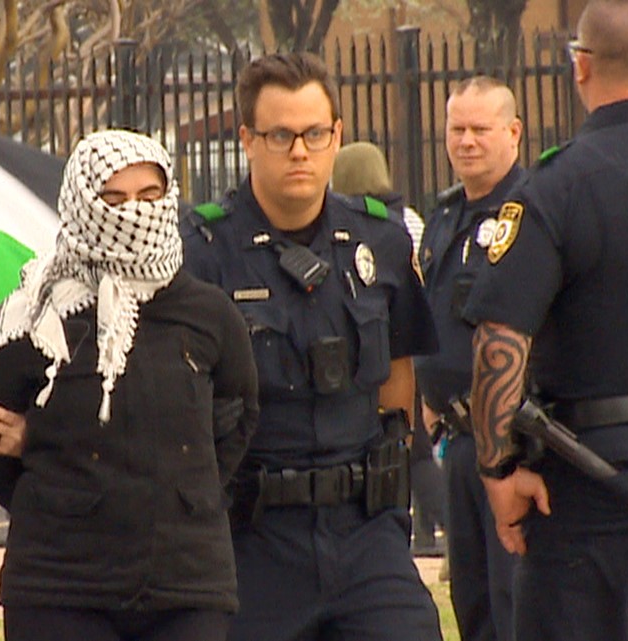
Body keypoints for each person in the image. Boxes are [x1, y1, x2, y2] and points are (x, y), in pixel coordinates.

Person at [183, 52, 442, 641]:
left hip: (364, 532)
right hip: (251, 538)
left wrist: (391, 495)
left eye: (314, 133)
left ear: (337, 136)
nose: (300, 151)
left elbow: (398, 379)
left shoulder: (380, 236)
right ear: (247, 139)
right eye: (281, 135)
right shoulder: (203, 251)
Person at [0, 129, 260, 641]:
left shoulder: (210, 314)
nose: (134, 213)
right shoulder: (37, 314)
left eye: (149, 196)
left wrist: (180, 493)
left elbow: (235, 424)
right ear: (81, 204)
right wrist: (59, 490)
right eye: (113, 199)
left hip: (185, 583)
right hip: (60, 584)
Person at [465, 1, 628, 639]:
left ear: (580, 66)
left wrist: (498, 469)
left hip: (598, 484)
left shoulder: (557, 186)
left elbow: (499, 342)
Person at [416, 76, 524, 641]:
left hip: (514, 446)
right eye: (456, 129)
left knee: (516, 602)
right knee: (473, 600)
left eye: (480, 129)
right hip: (457, 443)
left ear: (513, 132)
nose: (466, 141)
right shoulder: (444, 215)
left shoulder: (532, 212)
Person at [332, 141, 447, 557]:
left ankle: (440, 524)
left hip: (378, 346)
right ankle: (424, 533)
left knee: (410, 451)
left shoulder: (357, 225)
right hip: (409, 336)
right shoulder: (408, 219)